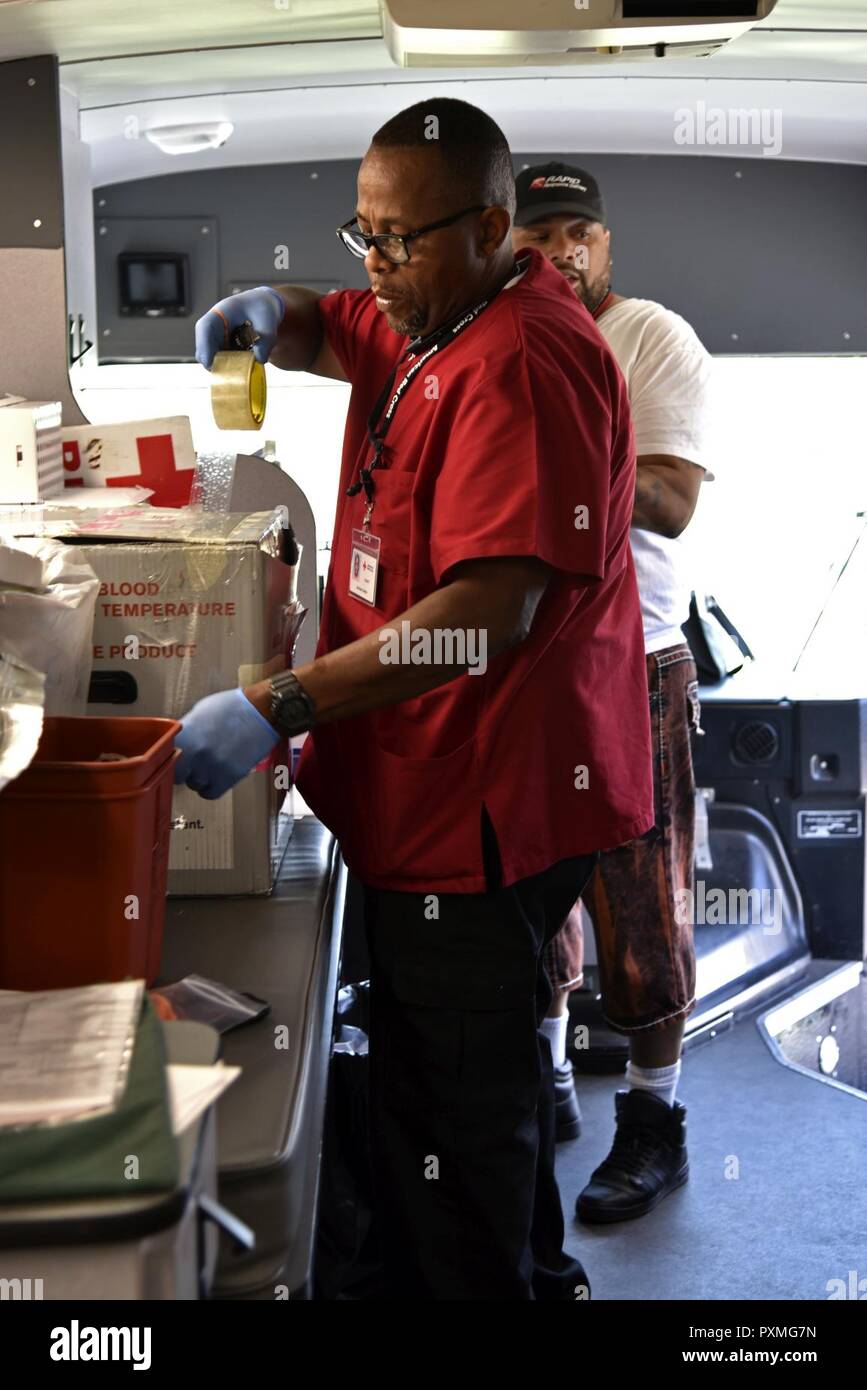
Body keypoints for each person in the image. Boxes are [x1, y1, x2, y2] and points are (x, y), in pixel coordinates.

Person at [178, 102, 653, 1299]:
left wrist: (279, 701)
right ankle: (536, 1275)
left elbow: (488, 613)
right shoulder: (432, 305)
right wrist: (262, 312)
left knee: (453, 1117)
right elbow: (328, 324)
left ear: (495, 226)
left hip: (480, 808)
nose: (375, 270)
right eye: (362, 234)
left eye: (401, 240)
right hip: (424, 793)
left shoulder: (524, 360)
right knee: (467, 1084)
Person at [512, 162, 714, 1222]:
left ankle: (654, 1120)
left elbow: (674, 502)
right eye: (539, 236)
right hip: (531, 656)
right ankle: (548, 1074)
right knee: (536, 885)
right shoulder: (499, 337)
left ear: (606, 245)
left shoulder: (650, 339)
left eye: (578, 232)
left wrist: (543, 467)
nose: (560, 253)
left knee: (642, 901)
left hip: (638, 658)